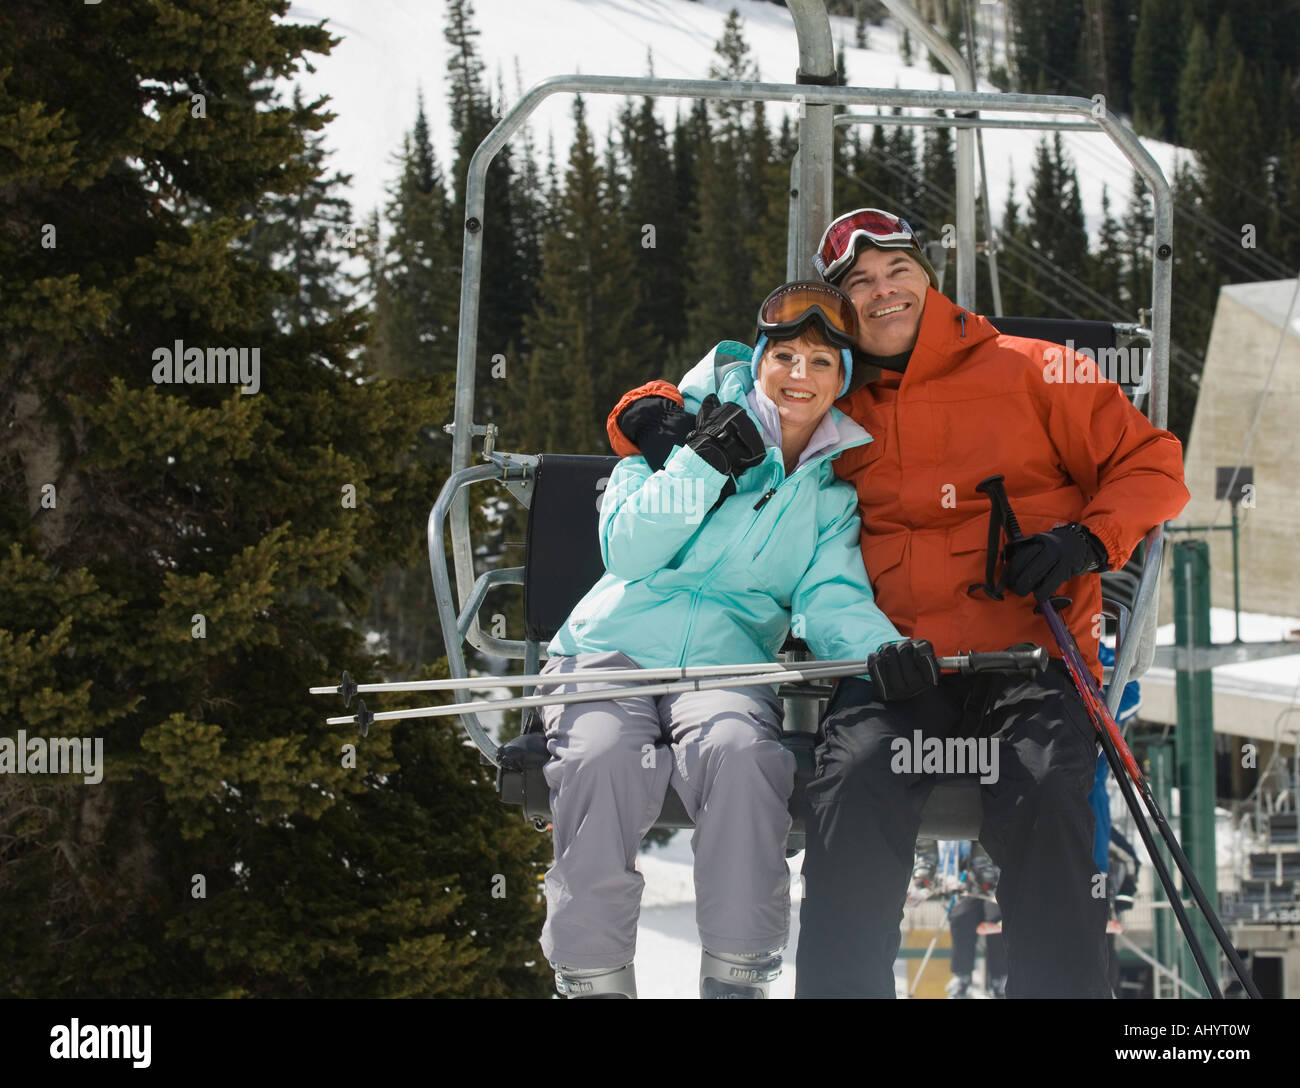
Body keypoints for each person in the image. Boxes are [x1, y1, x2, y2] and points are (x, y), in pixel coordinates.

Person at [607, 208, 1190, 998]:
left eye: (898, 274)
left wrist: (1085, 542)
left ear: (927, 278)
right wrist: (643, 411)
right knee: (854, 778)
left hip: (1026, 655)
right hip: (895, 661)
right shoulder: (833, 397)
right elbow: (731, 379)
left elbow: (1152, 464)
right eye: (862, 284)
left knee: (1050, 783)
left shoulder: (1031, 370)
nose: (884, 294)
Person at [538, 281, 904, 999]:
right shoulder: (674, 434)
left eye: (823, 364)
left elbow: (832, 596)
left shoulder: (829, 497)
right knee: (602, 757)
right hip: (612, 647)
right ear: (759, 361)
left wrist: (879, 649)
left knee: (742, 758)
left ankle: (738, 973)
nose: (801, 376)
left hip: (726, 668)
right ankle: (592, 976)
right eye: (787, 356)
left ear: (842, 383)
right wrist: (699, 467)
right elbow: (629, 551)